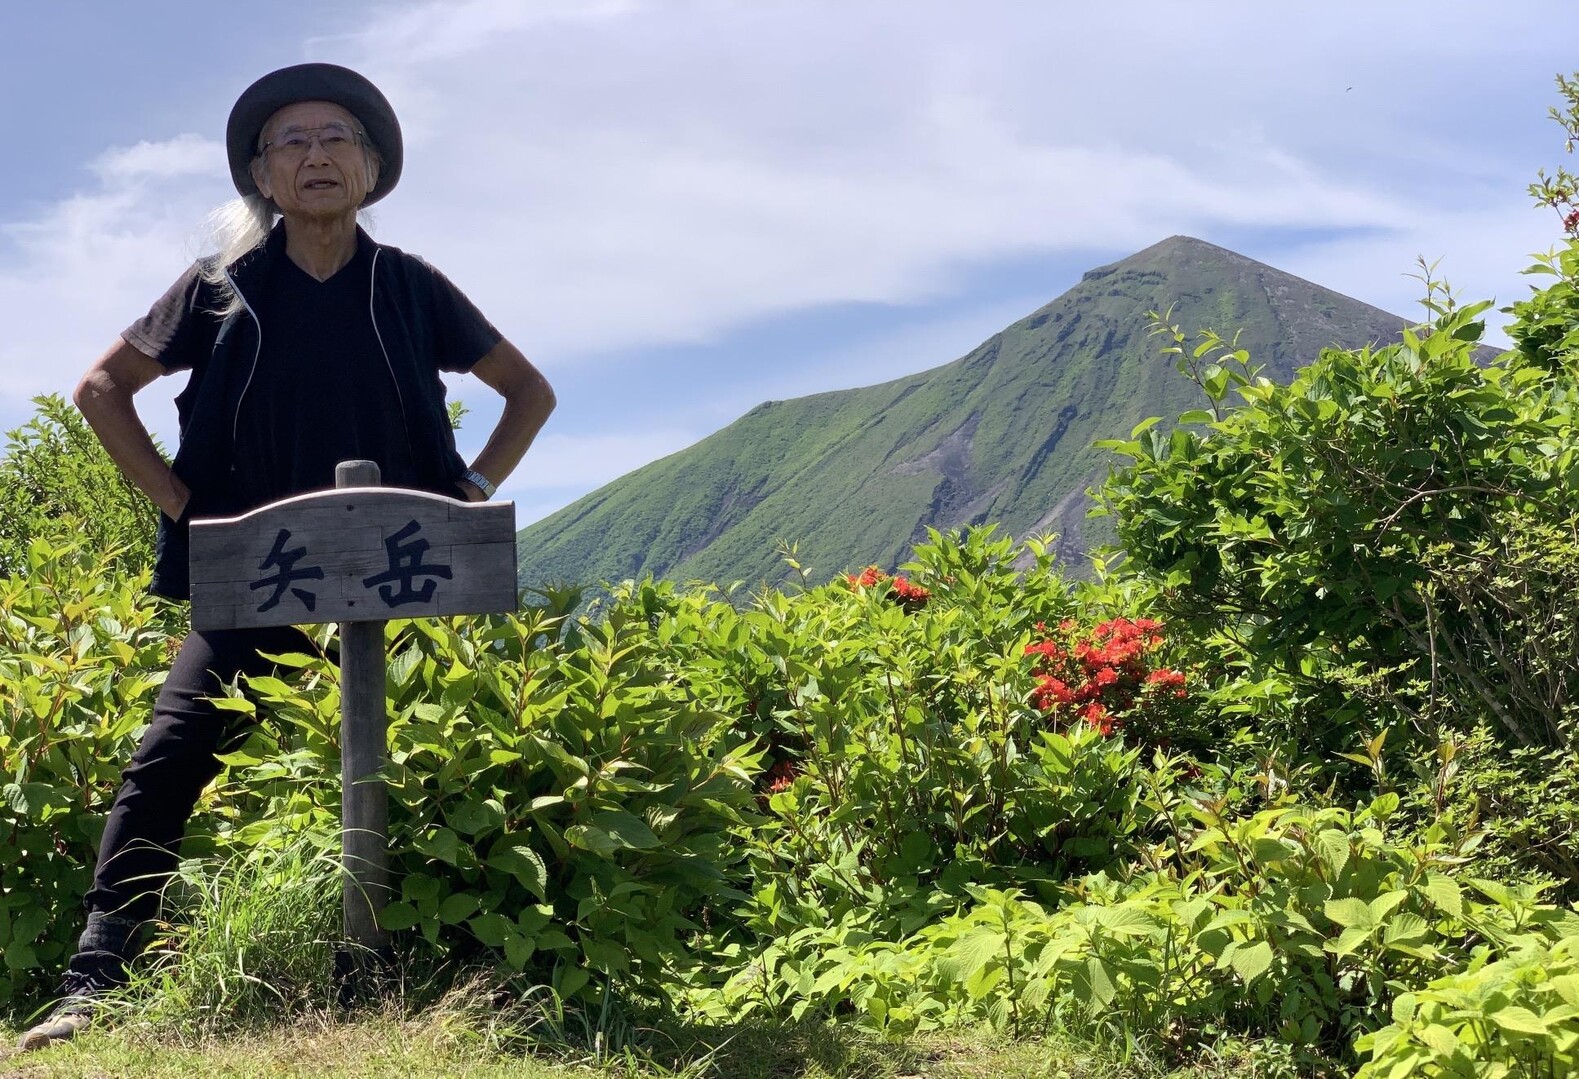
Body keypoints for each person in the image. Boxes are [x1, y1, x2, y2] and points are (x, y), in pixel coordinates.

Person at [20, 63, 555, 1051]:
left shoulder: (410, 287)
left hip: (404, 575)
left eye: (336, 138)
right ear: (262, 178)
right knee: (171, 755)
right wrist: (183, 504)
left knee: (450, 756)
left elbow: (528, 390)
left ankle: (462, 972)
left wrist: (469, 492)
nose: (315, 155)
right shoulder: (223, 289)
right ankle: (94, 982)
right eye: (291, 143)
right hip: (261, 579)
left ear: (373, 166)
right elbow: (102, 386)